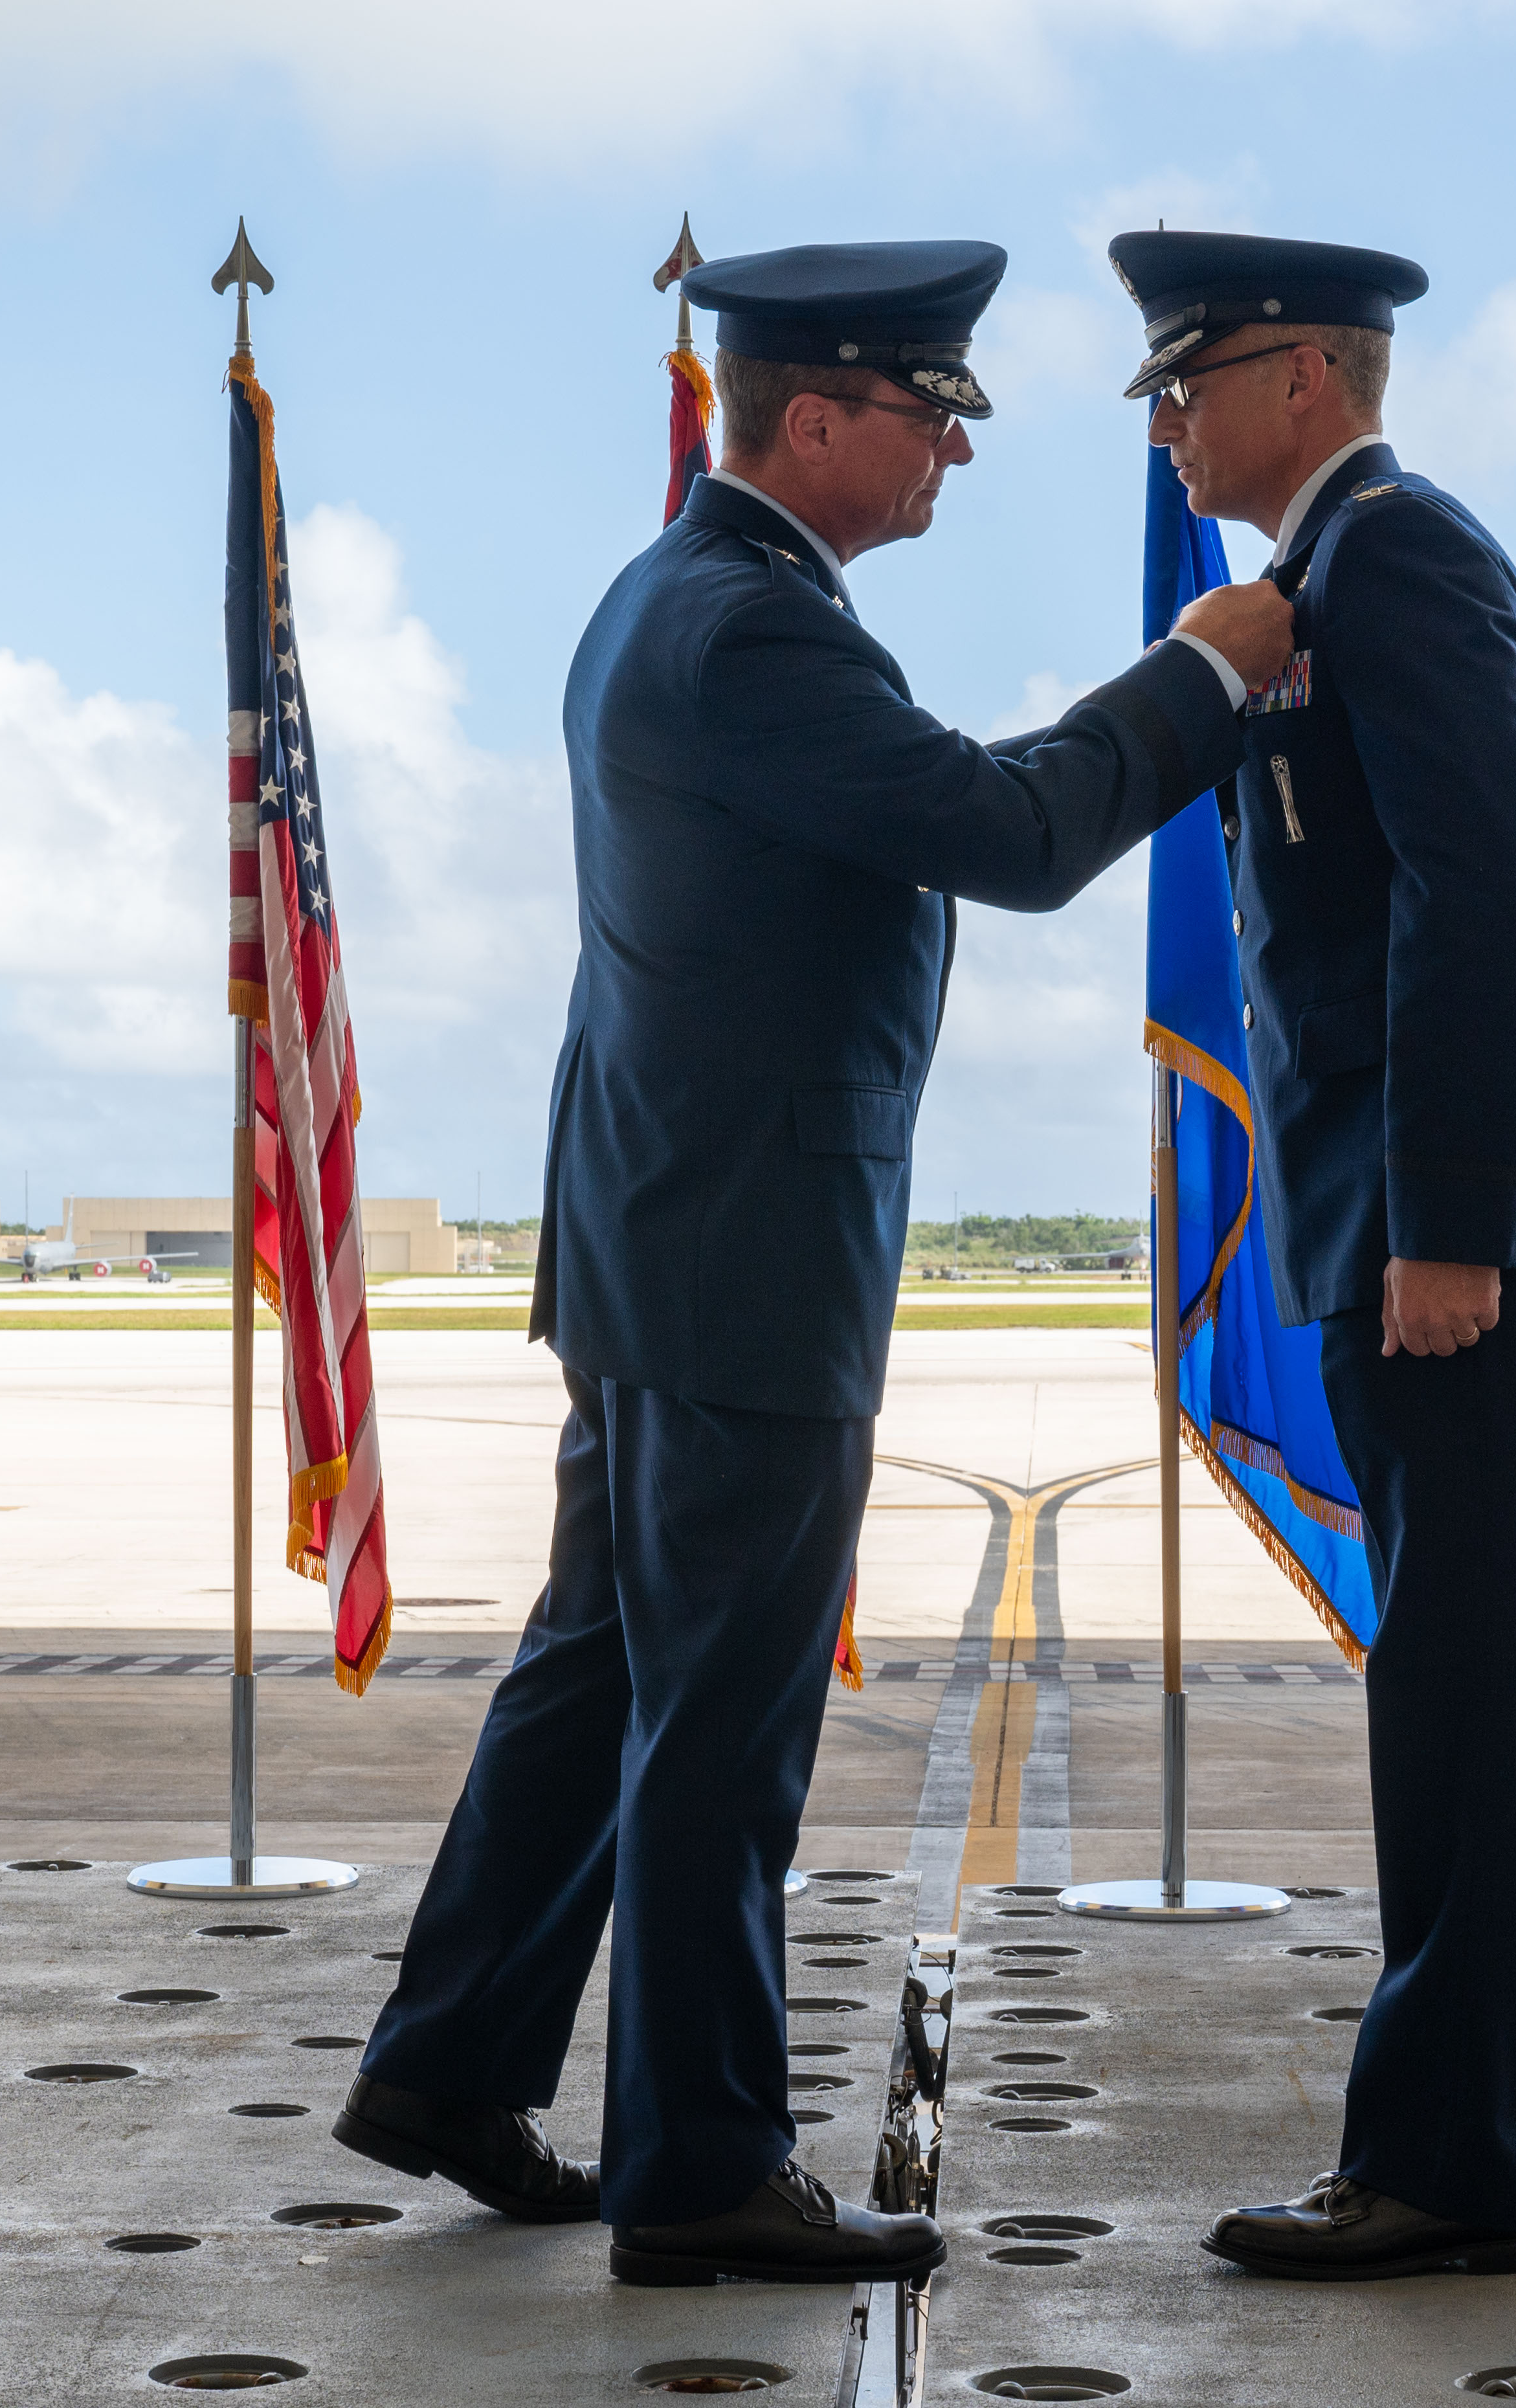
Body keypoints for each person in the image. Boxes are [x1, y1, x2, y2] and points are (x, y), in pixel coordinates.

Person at [339, 237, 1293, 2289]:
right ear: (818, 417)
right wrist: (1207, 669)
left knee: (602, 1678)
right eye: (931, 411)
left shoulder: (682, 598)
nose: (954, 446)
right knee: (720, 1720)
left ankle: (447, 2063)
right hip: (747, 1255)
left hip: (662, 1236)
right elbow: (1014, 832)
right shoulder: (756, 635)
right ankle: (699, 2167)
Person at [1105, 229, 1516, 2282]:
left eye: (1194, 380)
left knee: (1461, 1693)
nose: (1167, 421)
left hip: (1461, 1231)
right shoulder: (1319, 586)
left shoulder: (1397, 561)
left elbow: (1480, 902)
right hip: (1448, 1212)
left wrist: (1447, 1224)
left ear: (1311, 385)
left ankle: (1448, 2164)